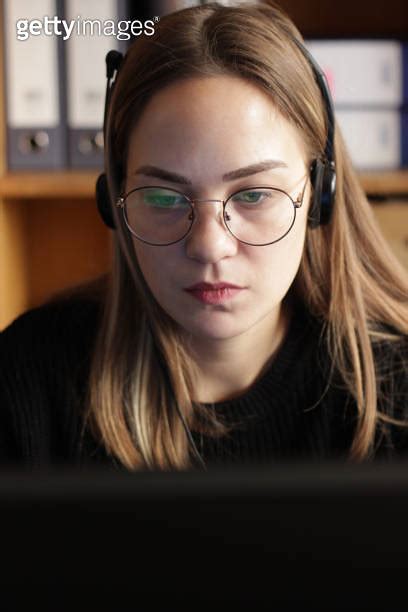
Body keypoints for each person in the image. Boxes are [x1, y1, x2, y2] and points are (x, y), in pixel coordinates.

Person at [0, 1, 407, 471]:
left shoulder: (400, 388)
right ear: (114, 199)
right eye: (164, 199)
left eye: (254, 195)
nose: (210, 246)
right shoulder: (27, 379)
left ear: (320, 196)